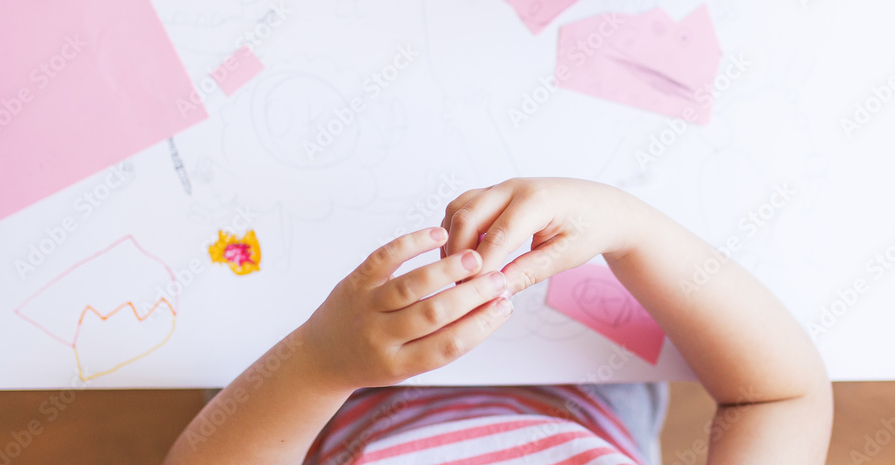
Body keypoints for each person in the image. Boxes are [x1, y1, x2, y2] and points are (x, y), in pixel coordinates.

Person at [165, 178, 833, 464]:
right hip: (587, 387)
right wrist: (630, 225)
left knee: (209, 295)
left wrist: (318, 362)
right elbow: (782, 395)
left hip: (318, 400)